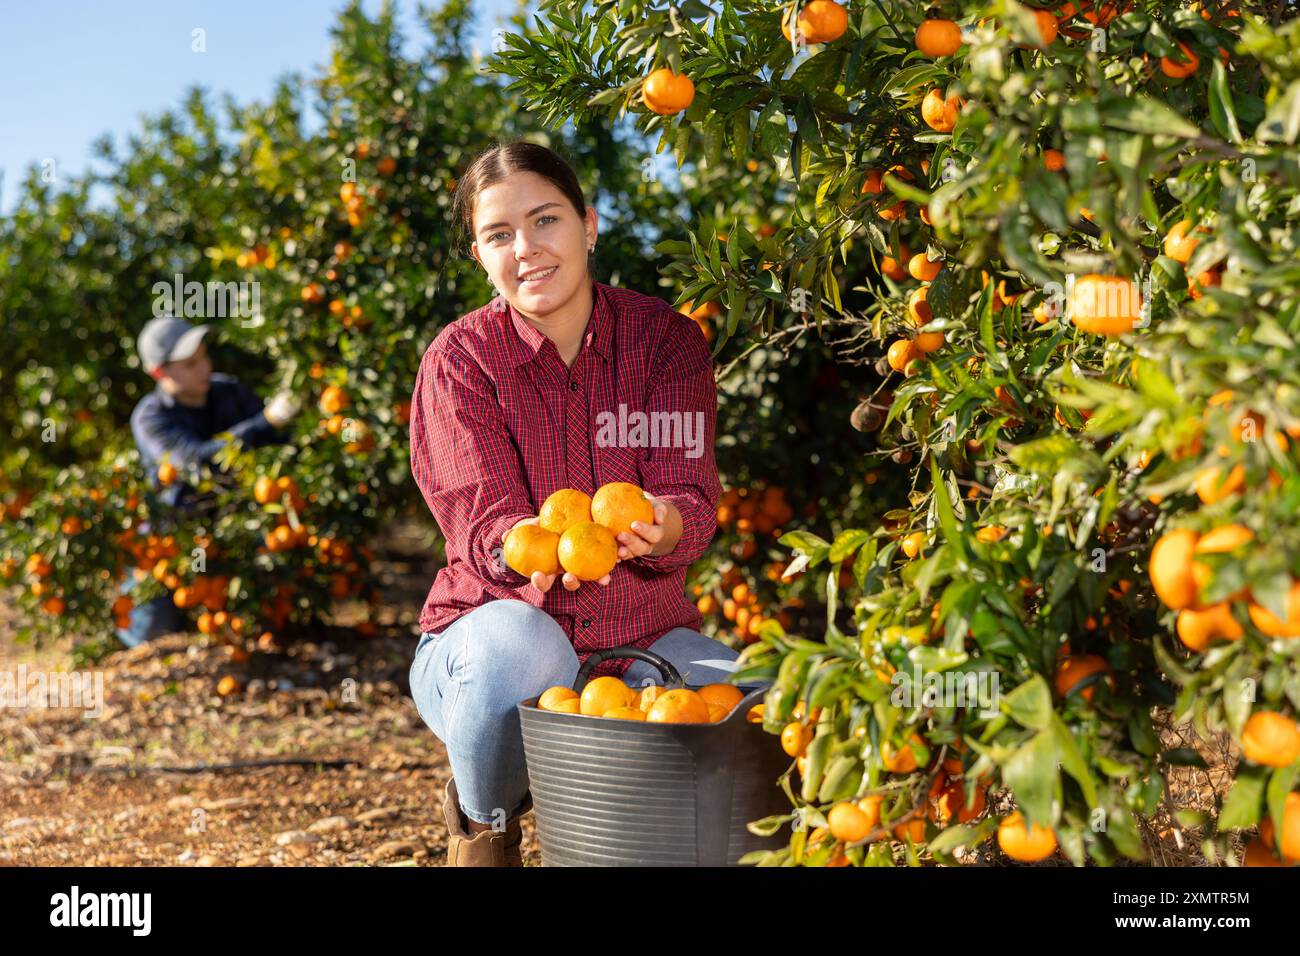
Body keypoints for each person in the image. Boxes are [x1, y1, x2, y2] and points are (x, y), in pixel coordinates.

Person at [408, 141, 742, 867]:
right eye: (499, 235)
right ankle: (484, 830)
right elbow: (483, 523)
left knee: (756, 703)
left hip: (640, 641)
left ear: (589, 225)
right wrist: (524, 542)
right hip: (488, 644)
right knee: (522, 647)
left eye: (546, 220)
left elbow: (691, 494)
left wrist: (664, 524)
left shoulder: (665, 342)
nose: (525, 249)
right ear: (479, 254)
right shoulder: (462, 361)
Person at [117, 315, 301, 648]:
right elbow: (195, 462)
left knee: (265, 618)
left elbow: (281, 443)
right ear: (159, 372)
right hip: (173, 541)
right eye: (189, 364)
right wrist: (266, 422)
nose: (203, 368)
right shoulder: (151, 416)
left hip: (233, 530)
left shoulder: (228, 391)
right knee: (152, 633)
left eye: (203, 357)